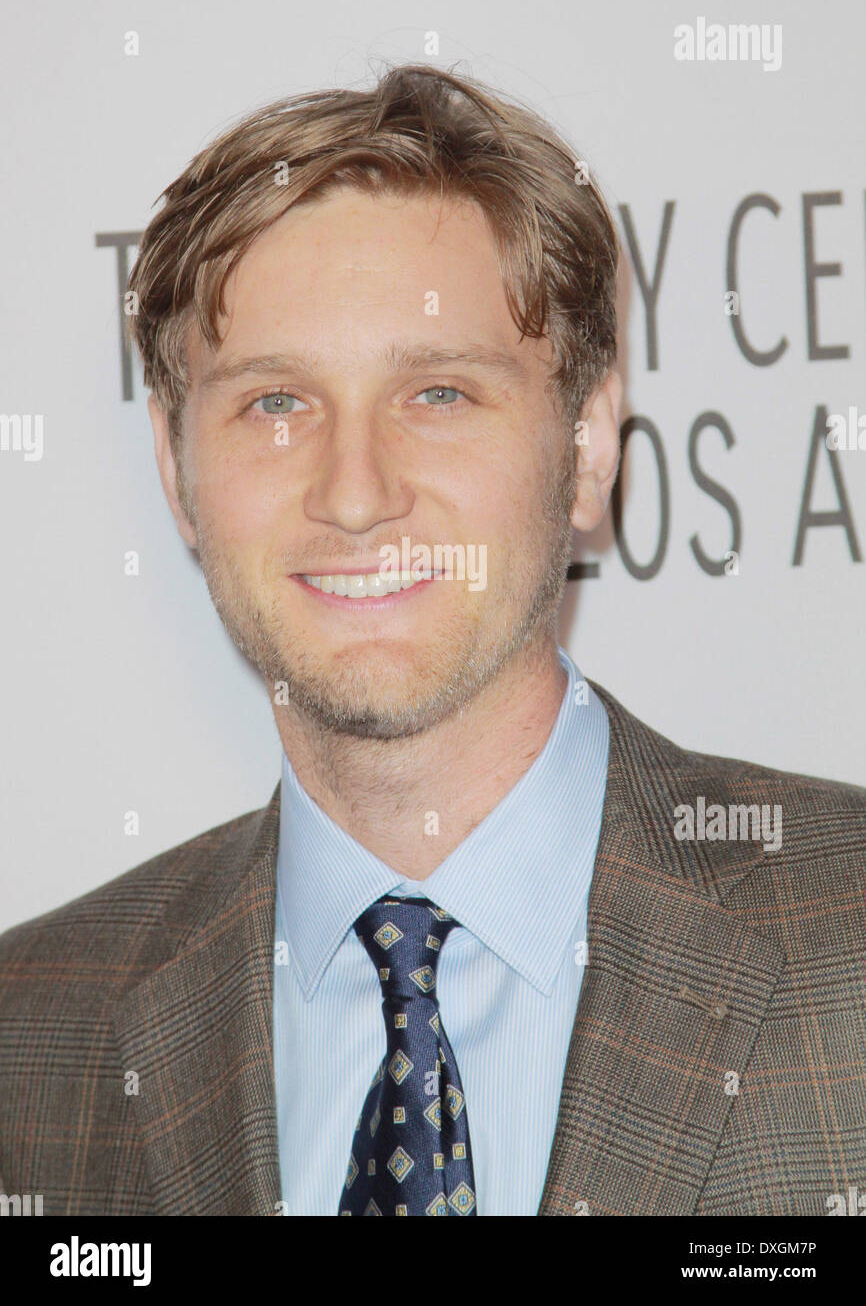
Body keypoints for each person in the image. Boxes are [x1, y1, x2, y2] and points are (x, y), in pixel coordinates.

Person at [1, 64, 864, 1217]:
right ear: (175, 467)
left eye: (439, 394)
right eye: (275, 403)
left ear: (589, 441)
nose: (354, 495)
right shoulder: (30, 1036)